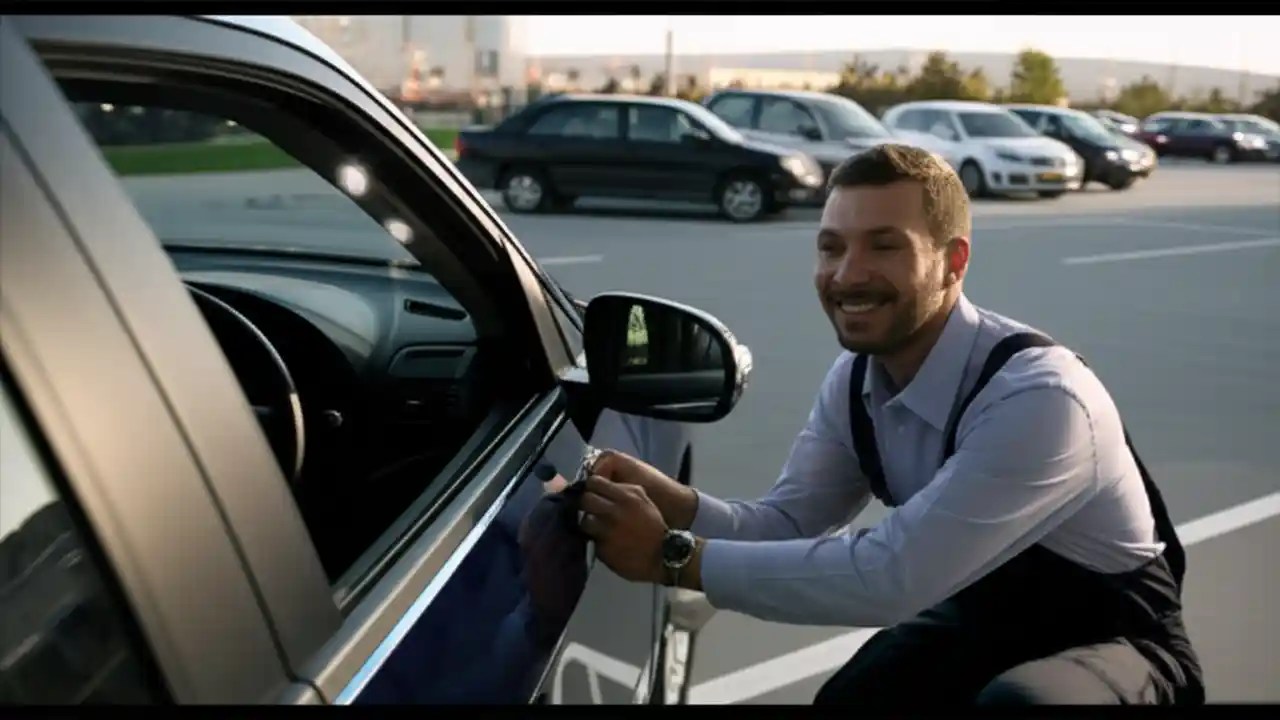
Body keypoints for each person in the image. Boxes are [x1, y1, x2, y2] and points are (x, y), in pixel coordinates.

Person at [573, 144, 1204, 706]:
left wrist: (671, 556)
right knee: (857, 695)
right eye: (831, 247)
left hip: (1119, 642)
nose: (847, 275)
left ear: (953, 261)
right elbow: (789, 524)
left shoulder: (1040, 398)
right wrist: (678, 505)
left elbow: (891, 576)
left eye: (884, 245)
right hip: (982, 619)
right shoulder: (854, 381)